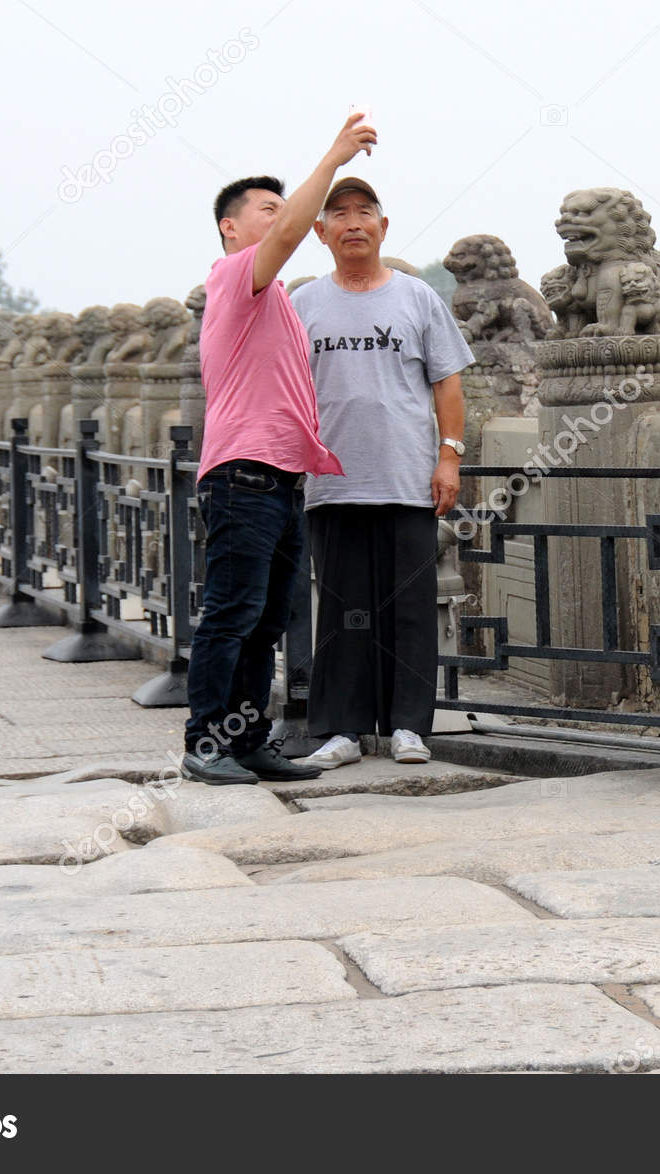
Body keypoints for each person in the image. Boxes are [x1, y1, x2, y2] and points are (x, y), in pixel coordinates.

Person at [181, 113, 376, 785]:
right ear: (231, 227)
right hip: (242, 475)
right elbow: (296, 230)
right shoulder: (236, 276)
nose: (282, 216)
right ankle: (204, 743)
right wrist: (335, 155)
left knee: (263, 623)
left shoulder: (279, 301)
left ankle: (246, 739)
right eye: (268, 209)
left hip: (279, 479)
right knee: (232, 617)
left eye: (281, 207)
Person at [289, 178, 474, 769]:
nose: (352, 223)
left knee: (411, 609)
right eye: (338, 214)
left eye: (364, 212)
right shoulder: (304, 304)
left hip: (408, 479)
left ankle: (409, 728)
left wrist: (450, 455)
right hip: (334, 480)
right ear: (320, 233)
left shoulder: (418, 299)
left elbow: (448, 381)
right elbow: (287, 386)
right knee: (343, 610)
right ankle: (341, 731)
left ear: (383, 226)